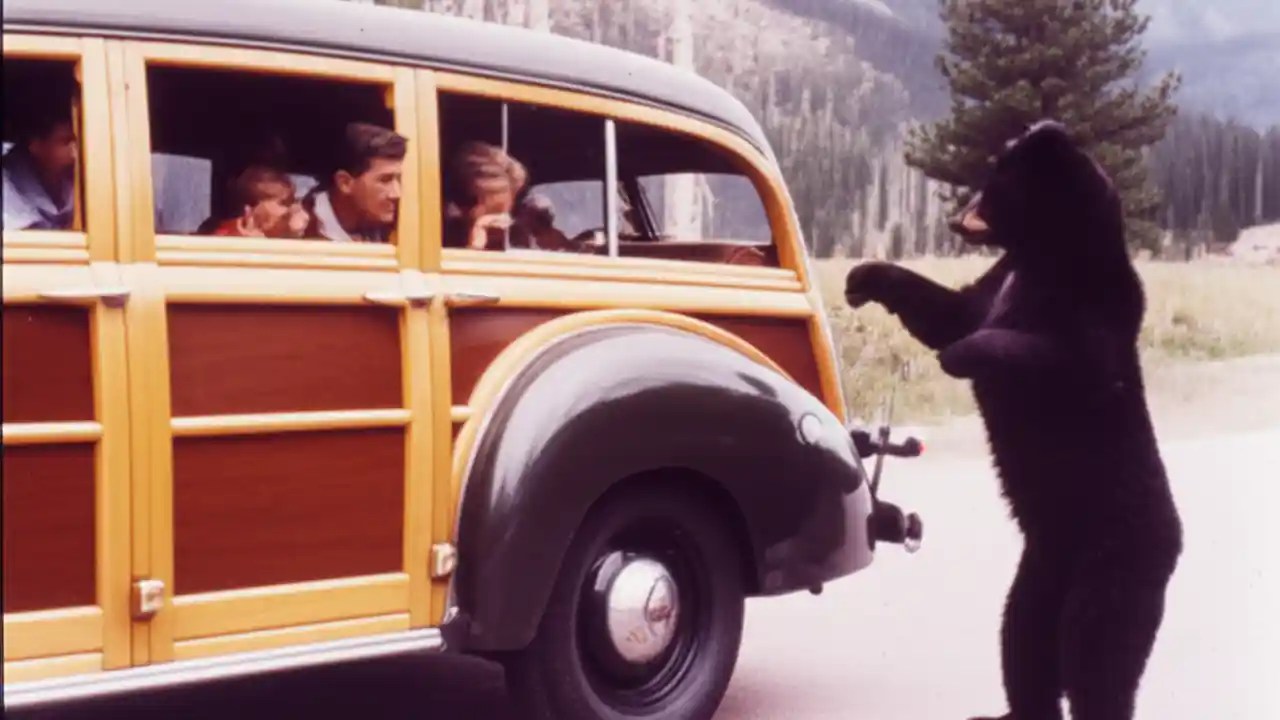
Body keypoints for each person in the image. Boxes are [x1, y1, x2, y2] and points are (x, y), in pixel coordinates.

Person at [304, 122, 407, 243]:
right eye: (385, 180)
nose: (396, 194)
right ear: (345, 183)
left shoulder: (395, 226)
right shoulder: (300, 230)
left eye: (398, 180)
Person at [2, 102, 77, 231]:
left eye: (77, 142)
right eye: (65, 142)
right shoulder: (7, 186)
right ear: (35, 146)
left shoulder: (78, 177)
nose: (75, 153)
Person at [443, 141, 528, 250]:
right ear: (459, 209)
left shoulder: (515, 236)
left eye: (508, 211)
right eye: (495, 211)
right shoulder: (433, 239)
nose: (503, 222)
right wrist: (475, 246)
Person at [209, 165, 309, 238]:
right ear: (249, 211)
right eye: (284, 203)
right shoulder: (223, 239)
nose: (292, 210)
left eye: (292, 202)